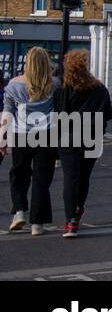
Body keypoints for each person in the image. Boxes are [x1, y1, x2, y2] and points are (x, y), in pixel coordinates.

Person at [52, 50, 112, 238]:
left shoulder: (63, 88)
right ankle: (77, 210)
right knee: (84, 177)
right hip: (91, 137)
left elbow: (58, 115)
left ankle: (71, 219)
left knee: (71, 178)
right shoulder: (99, 88)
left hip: (68, 138)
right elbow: (107, 114)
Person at [3, 47, 60, 235]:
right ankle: (37, 223)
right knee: (42, 179)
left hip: (21, 134)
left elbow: (7, 112)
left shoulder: (14, 84)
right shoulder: (55, 84)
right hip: (47, 135)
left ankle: (19, 212)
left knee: (18, 174)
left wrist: (2, 137)